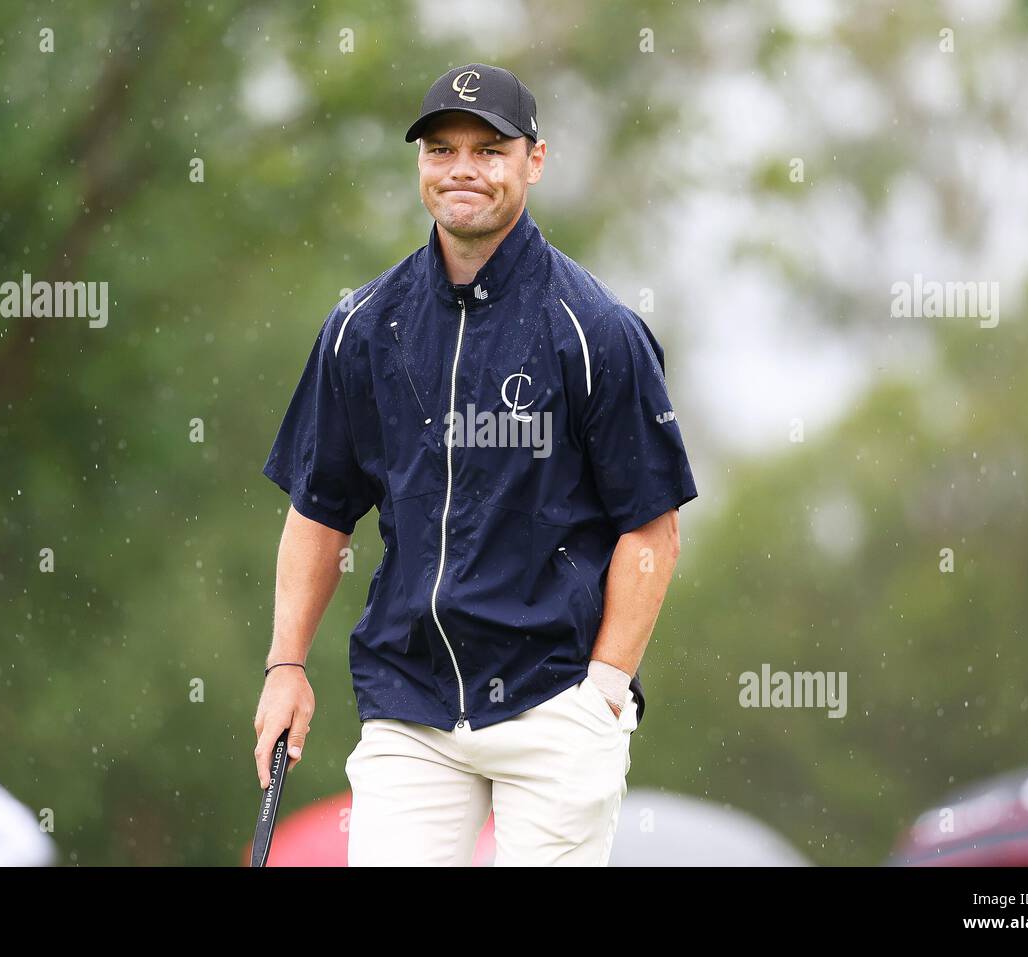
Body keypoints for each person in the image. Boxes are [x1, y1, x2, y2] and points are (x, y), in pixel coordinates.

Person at [255, 63, 698, 866]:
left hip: (555, 701)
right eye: (441, 149)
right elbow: (319, 511)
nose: (462, 168)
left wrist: (603, 691)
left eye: (489, 150)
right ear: (420, 163)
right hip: (410, 701)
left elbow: (652, 531)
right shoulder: (362, 326)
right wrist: (286, 664)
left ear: (535, 160)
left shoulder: (596, 330)